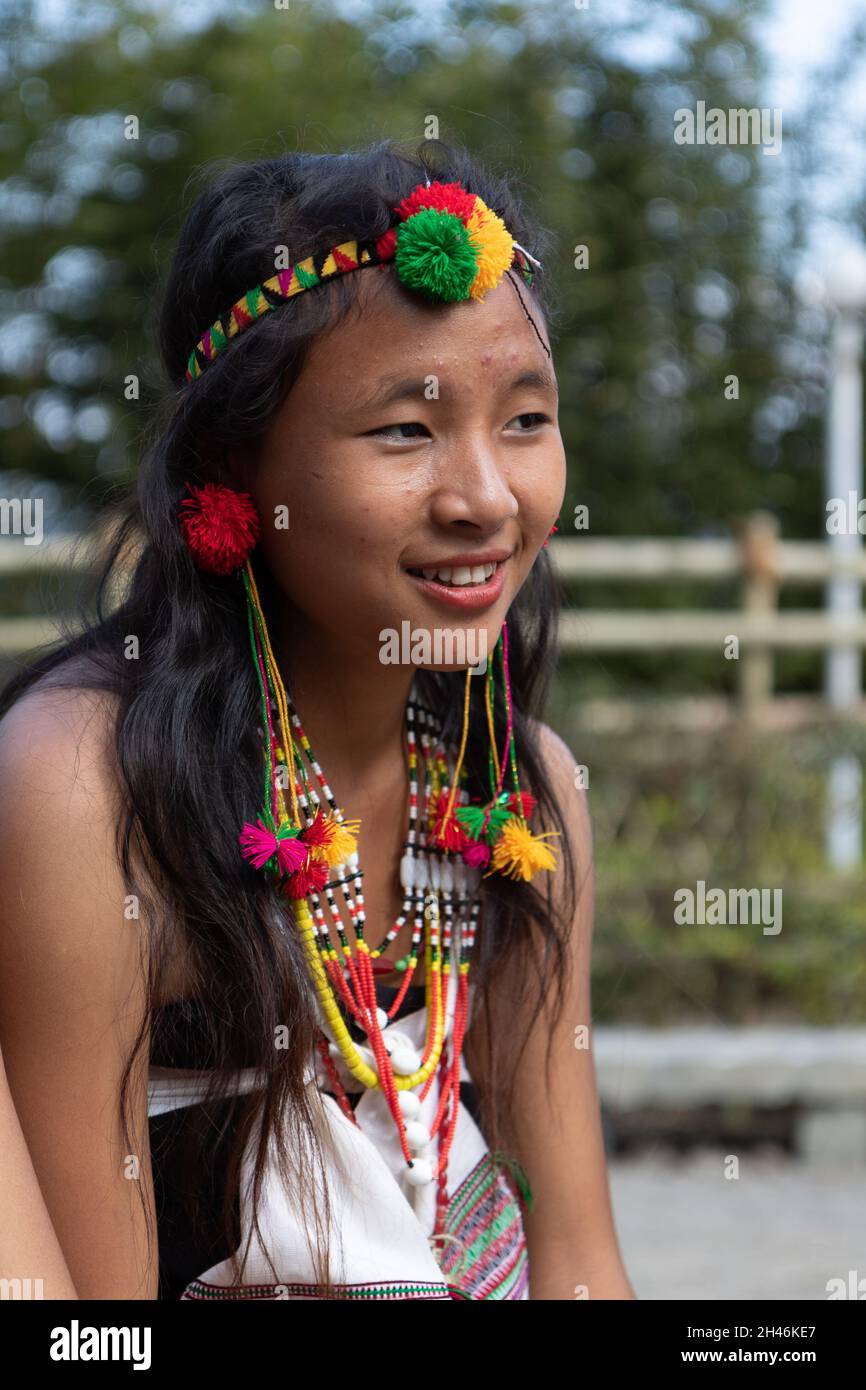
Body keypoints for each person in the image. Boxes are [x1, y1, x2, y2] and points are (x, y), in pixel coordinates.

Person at [0, 137, 635, 1300]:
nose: (485, 499)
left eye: (525, 421)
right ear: (235, 466)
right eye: (404, 430)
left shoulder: (516, 793)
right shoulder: (91, 789)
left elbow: (578, 1267)